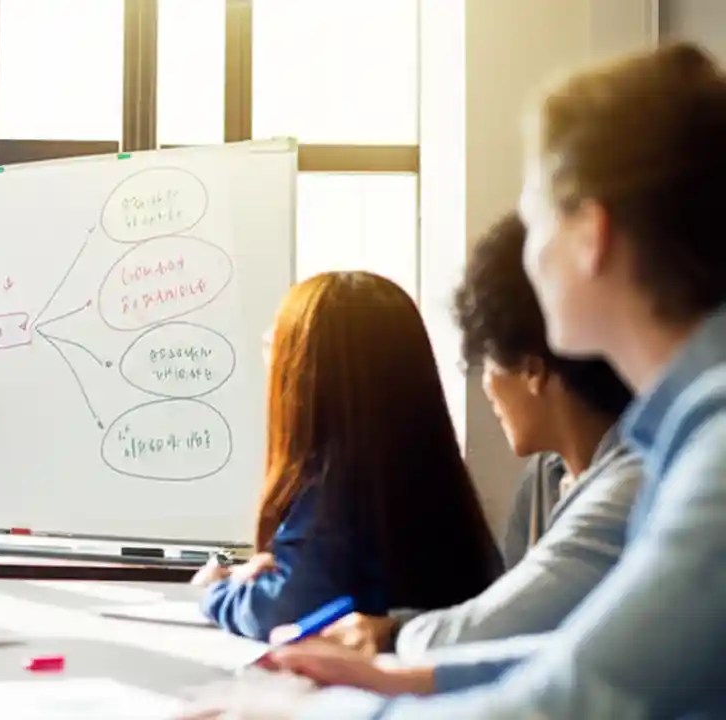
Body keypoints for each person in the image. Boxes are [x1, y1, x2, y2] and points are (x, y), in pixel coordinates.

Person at [262, 42, 726, 718]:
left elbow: (582, 696)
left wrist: (305, 713)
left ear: (591, 236)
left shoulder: (713, 451)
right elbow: (596, 653)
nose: (528, 257)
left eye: (537, 221)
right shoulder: (683, 433)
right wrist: (407, 682)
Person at [314, 213, 641, 659]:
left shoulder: (634, 481)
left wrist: (391, 635)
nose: (486, 384)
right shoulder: (545, 478)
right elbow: (505, 618)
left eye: (487, 361)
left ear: (532, 369)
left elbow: (505, 627)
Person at [191, 272, 502, 641]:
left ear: (305, 375)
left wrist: (215, 589)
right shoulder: (432, 477)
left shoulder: (334, 487)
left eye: (275, 349)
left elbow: (282, 611)